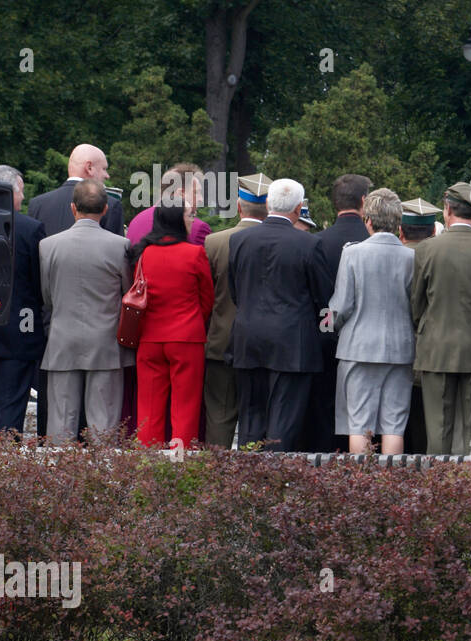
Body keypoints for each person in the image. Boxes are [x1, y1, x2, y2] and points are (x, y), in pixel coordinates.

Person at [227, 178, 333, 451]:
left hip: (248, 335)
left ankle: (248, 480)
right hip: (292, 342)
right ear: (299, 209)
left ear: (267, 204)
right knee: (284, 420)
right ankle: (275, 481)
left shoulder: (239, 240)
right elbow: (323, 297)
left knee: (250, 416)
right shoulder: (308, 244)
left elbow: (235, 291)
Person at [411, 181, 471, 455]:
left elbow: (417, 304)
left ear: (447, 209)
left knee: (438, 428)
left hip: (436, 348)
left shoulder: (426, 250)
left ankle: (439, 482)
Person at [37, 180, 132, 444]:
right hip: (106, 341)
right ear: (105, 210)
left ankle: (60, 479)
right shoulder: (120, 245)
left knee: (60, 423)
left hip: (62, 337)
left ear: (72, 208)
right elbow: (127, 293)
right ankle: (103, 480)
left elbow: (47, 295)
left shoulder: (48, 246)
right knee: (103, 424)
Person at [328, 188, 415, 455]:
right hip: (400, 348)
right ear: (398, 223)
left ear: (368, 220)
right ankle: (392, 485)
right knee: (394, 425)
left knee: (359, 424)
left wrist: (327, 325)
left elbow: (340, 306)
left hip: (358, 347)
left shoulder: (352, 253)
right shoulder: (412, 257)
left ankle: (362, 489)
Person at [128, 202, 213, 448]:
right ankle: (180, 462)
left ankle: (148, 462)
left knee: (149, 407)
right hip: (186, 338)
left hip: (150, 338)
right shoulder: (194, 253)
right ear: (178, 220)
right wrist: (193, 320)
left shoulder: (144, 253)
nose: (192, 220)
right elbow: (207, 299)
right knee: (185, 406)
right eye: (189, 215)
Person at [202, 173, 269, 447]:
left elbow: (205, 296)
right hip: (262, 344)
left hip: (222, 339)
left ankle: (216, 480)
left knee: (219, 415)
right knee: (259, 416)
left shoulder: (214, 242)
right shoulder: (279, 242)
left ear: (239, 207)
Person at [0, 165, 45, 439]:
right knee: (11, 408)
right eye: (21, 192)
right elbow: (40, 283)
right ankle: (5, 468)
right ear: (11, 191)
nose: (22, 199)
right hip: (19, 330)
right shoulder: (30, 229)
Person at [311, 174, 372, 453]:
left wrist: (326, 331)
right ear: (364, 201)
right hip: (367, 341)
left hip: (325, 337)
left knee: (325, 412)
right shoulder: (372, 241)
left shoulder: (317, 242)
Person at [397, 199, 438, 453]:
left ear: (400, 230)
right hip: (430, 349)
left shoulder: (399, 255)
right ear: (433, 231)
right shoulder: (435, 257)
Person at [28, 144, 124, 237]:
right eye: (104, 169)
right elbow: (115, 250)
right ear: (89, 168)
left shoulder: (37, 204)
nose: (107, 176)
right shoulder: (110, 204)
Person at [127, 164, 212, 248]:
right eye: (196, 192)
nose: (201, 199)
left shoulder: (135, 221)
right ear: (181, 193)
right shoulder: (198, 227)